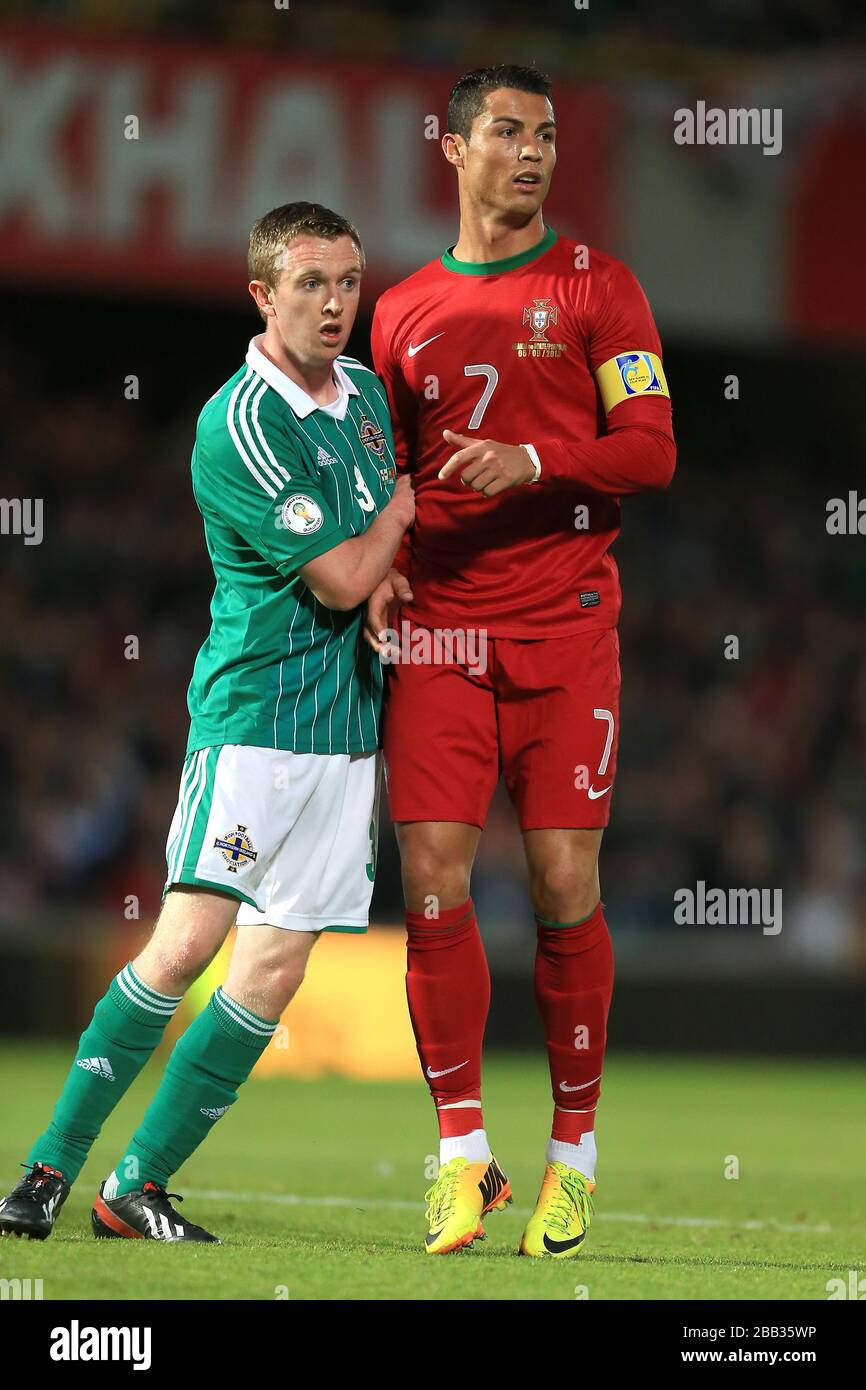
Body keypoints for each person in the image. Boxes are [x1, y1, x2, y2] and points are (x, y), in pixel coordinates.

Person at [0, 201, 413, 1243]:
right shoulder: (238, 423)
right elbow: (335, 572)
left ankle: (133, 1187)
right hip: (256, 723)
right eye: (311, 283)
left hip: (347, 733)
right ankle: (45, 1170)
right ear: (261, 294)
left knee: (273, 970)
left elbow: (367, 569)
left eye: (350, 281)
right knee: (184, 945)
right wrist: (403, 514)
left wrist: (384, 578)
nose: (334, 303)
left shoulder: (364, 395)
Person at [367, 65, 675, 1256]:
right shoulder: (397, 313)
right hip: (442, 630)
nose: (531, 151)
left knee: (561, 889)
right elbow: (383, 476)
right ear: (451, 149)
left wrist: (537, 465)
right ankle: (459, 1159)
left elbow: (648, 450)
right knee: (434, 880)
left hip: (563, 624)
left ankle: (573, 1158)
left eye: (544, 134)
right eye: (505, 132)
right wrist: (387, 560)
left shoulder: (602, 287)